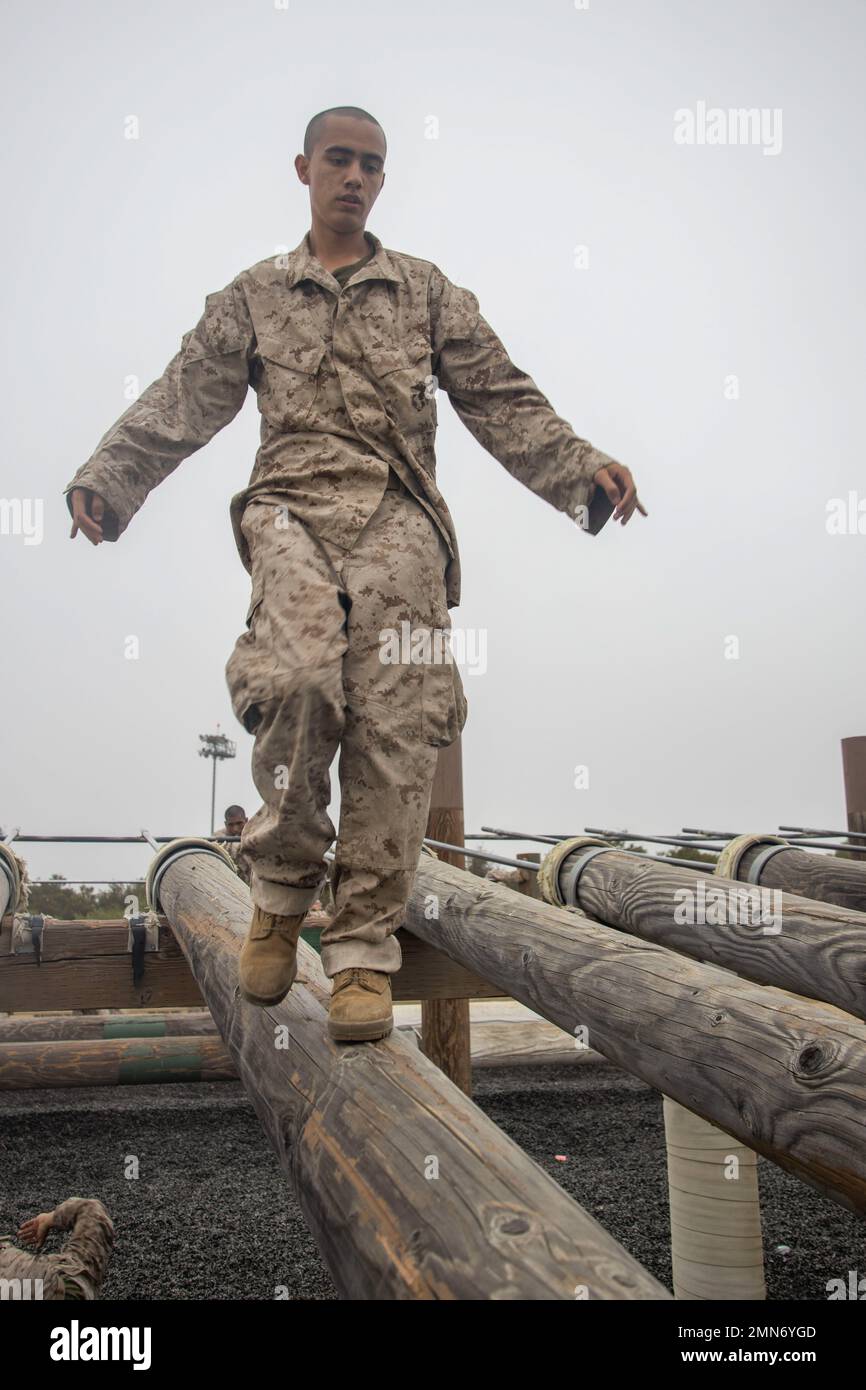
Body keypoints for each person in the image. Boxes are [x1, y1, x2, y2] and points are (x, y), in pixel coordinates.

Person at [64, 105, 646, 1044]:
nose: (356, 177)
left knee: (395, 722)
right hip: (290, 503)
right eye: (340, 159)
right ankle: (284, 888)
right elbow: (183, 396)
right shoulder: (254, 295)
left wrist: (581, 466)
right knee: (296, 678)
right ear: (303, 168)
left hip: (399, 515)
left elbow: (500, 394)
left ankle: (364, 952)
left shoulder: (424, 292)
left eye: (373, 165)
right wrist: (110, 478)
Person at [0, 1198, 114, 1300]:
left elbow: (91, 1211)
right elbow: (92, 1210)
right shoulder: (78, 1275)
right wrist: (48, 1219)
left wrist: (49, 1219)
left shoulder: (80, 1274)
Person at [212, 804, 252, 887]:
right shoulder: (218, 838)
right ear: (226, 824)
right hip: (230, 886)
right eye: (231, 825)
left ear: (246, 821)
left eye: (239, 823)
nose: (235, 829)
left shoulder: (255, 832)